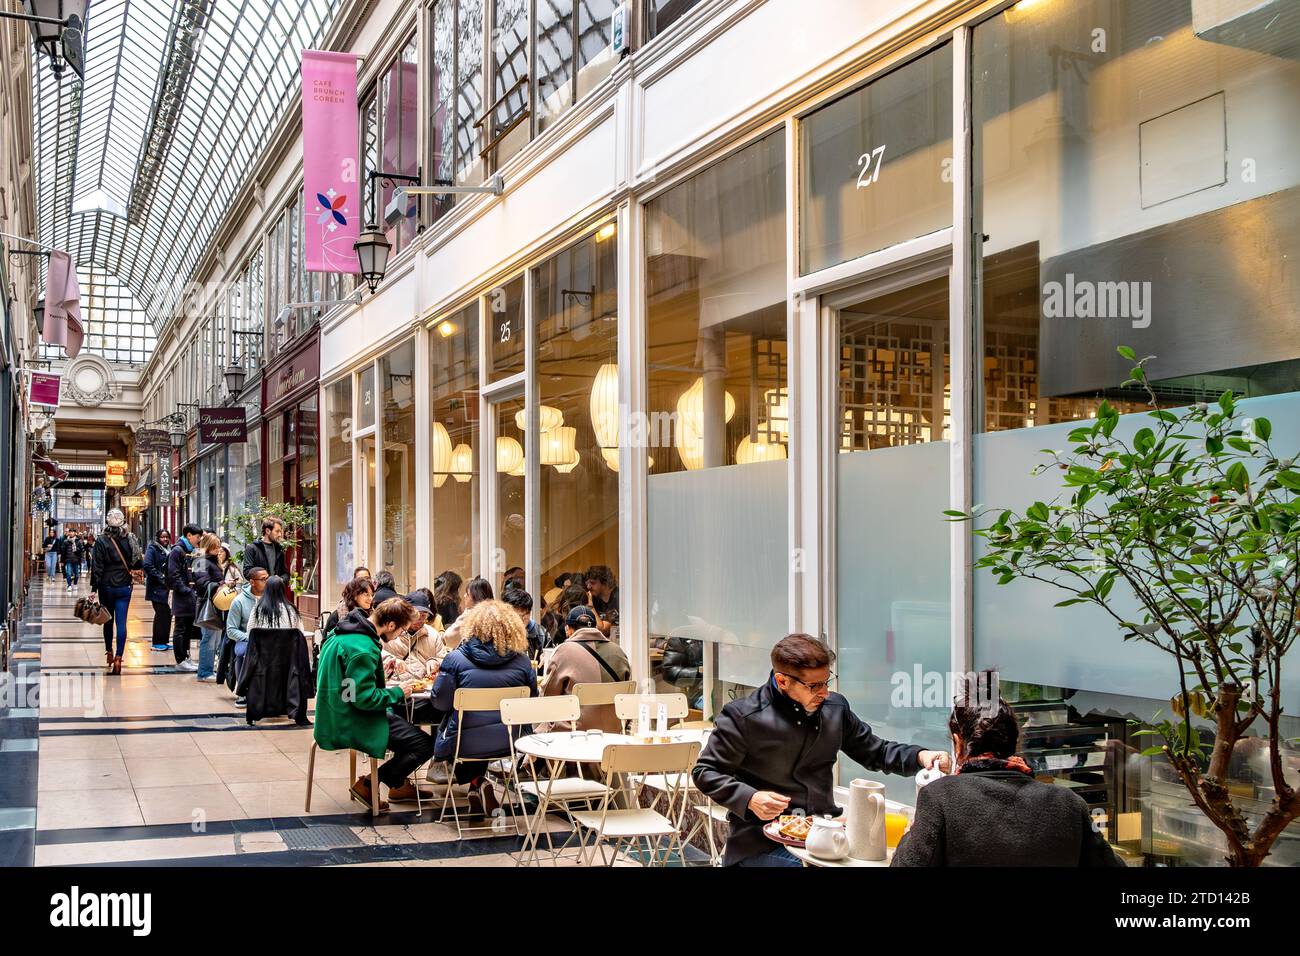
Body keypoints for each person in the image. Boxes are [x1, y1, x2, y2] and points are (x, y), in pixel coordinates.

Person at [692, 633, 951, 867]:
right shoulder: (744, 716)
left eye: (827, 681)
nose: (825, 693)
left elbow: (876, 751)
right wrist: (750, 798)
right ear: (782, 680)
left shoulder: (835, 709)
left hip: (827, 830)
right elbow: (706, 771)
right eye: (814, 686)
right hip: (761, 841)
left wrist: (920, 756)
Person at [892, 675, 1123, 867]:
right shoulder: (1069, 805)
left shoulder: (941, 797)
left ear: (958, 743)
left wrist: (909, 836)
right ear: (1014, 743)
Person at [315, 597, 436, 809]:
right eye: (401, 630)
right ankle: (370, 783)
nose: (400, 634)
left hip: (334, 711)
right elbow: (363, 699)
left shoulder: (344, 633)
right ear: (390, 625)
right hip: (350, 719)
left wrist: (382, 670)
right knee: (423, 744)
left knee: (404, 727)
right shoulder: (363, 648)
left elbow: (348, 685)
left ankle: (397, 784)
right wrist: (399, 692)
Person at [431, 599, 537, 816]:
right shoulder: (523, 662)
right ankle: (478, 784)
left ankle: (478, 782)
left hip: (463, 743)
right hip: (508, 742)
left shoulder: (455, 659)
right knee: (485, 726)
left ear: (473, 626)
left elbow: (439, 702)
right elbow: (531, 701)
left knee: (459, 724)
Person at [538, 606, 631, 733]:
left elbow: (547, 696)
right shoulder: (618, 651)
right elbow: (627, 694)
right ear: (595, 627)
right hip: (614, 731)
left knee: (540, 723)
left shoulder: (564, 651)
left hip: (574, 733)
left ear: (568, 630)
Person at [89, 509, 143, 675]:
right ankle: (119, 657)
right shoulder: (130, 538)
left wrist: (93, 589)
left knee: (107, 620)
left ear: (107, 522)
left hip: (106, 586)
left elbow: (97, 566)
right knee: (121, 622)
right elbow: (137, 562)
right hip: (124, 586)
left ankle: (109, 652)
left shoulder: (101, 541)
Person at [224, 566, 268, 706]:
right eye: (263, 579)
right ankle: (242, 691)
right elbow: (231, 630)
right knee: (242, 652)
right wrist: (249, 637)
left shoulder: (271, 598)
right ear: (252, 582)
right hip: (246, 638)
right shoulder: (239, 601)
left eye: (268, 578)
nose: (267, 582)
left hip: (269, 637)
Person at [167, 523, 204, 671]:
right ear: (188, 535)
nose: (199, 539)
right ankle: (180, 660)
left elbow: (197, 570)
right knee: (181, 627)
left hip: (190, 595)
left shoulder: (192, 551)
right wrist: (185, 590)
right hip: (182, 596)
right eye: (197, 536)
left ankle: (186, 657)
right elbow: (173, 574)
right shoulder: (178, 551)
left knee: (188, 628)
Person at [192, 533, 225, 682]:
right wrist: (220, 585)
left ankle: (208, 669)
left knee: (214, 639)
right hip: (208, 604)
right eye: (215, 546)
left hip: (215, 603)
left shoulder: (210, 560)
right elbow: (202, 583)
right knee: (209, 639)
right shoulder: (201, 561)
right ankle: (205, 672)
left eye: (219, 546)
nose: (218, 549)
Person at [440, 575, 493, 647]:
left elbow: (448, 637)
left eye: (467, 594)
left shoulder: (469, 615)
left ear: (475, 597)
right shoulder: (496, 613)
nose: (464, 596)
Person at [143, 529, 173, 651]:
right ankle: (157, 642)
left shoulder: (169, 549)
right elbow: (147, 565)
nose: (165, 539)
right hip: (156, 588)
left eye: (167, 537)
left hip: (165, 588)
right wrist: (161, 577)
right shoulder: (153, 549)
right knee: (161, 614)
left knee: (167, 614)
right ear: (157, 538)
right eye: (162, 537)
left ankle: (164, 641)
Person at [501, 588, 550, 660]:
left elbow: (550, 653)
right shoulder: (498, 632)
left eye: (526, 614)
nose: (522, 619)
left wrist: (547, 658)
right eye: (517, 615)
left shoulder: (540, 633)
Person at [662, 635, 704, 710]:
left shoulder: (724, 633)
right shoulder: (682, 636)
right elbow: (669, 671)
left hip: (728, 690)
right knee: (723, 709)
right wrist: (698, 672)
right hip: (701, 694)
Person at [584, 565, 619, 635]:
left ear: (604, 583)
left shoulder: (618, 598)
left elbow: (602, 629)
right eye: (587, 583)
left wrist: (591, 607)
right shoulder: (594, 598)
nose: (588, 587)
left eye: (592, 583)